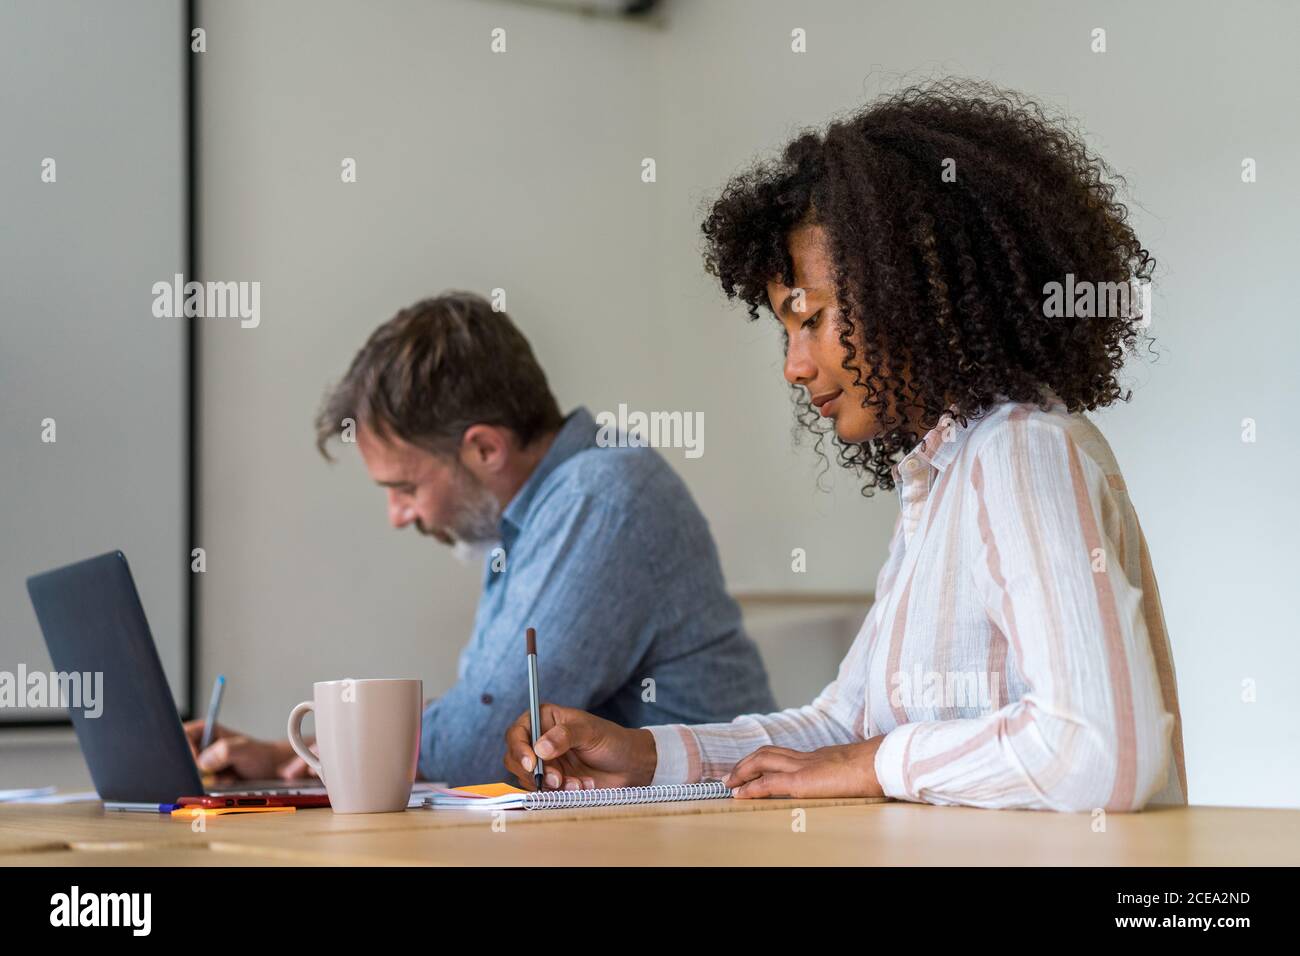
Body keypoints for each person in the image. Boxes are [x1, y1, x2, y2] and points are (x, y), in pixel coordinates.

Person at [503, 80, 1187, 811]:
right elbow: (843, 726)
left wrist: (875, 764)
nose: (795, 367)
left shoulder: (1020, 454)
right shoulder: (939, 480)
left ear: (917, 296)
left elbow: (1102, 750)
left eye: (814, 319)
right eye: (786, 331)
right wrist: (648, 755)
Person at [185, 292, 775, 786]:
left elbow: (479, 742)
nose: (397, 514)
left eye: (405, 486)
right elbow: (477, 715)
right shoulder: (534, 514)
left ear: (485, 448)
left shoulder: (600, 498)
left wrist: (315, 757)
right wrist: (294, 756)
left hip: (699, 835)